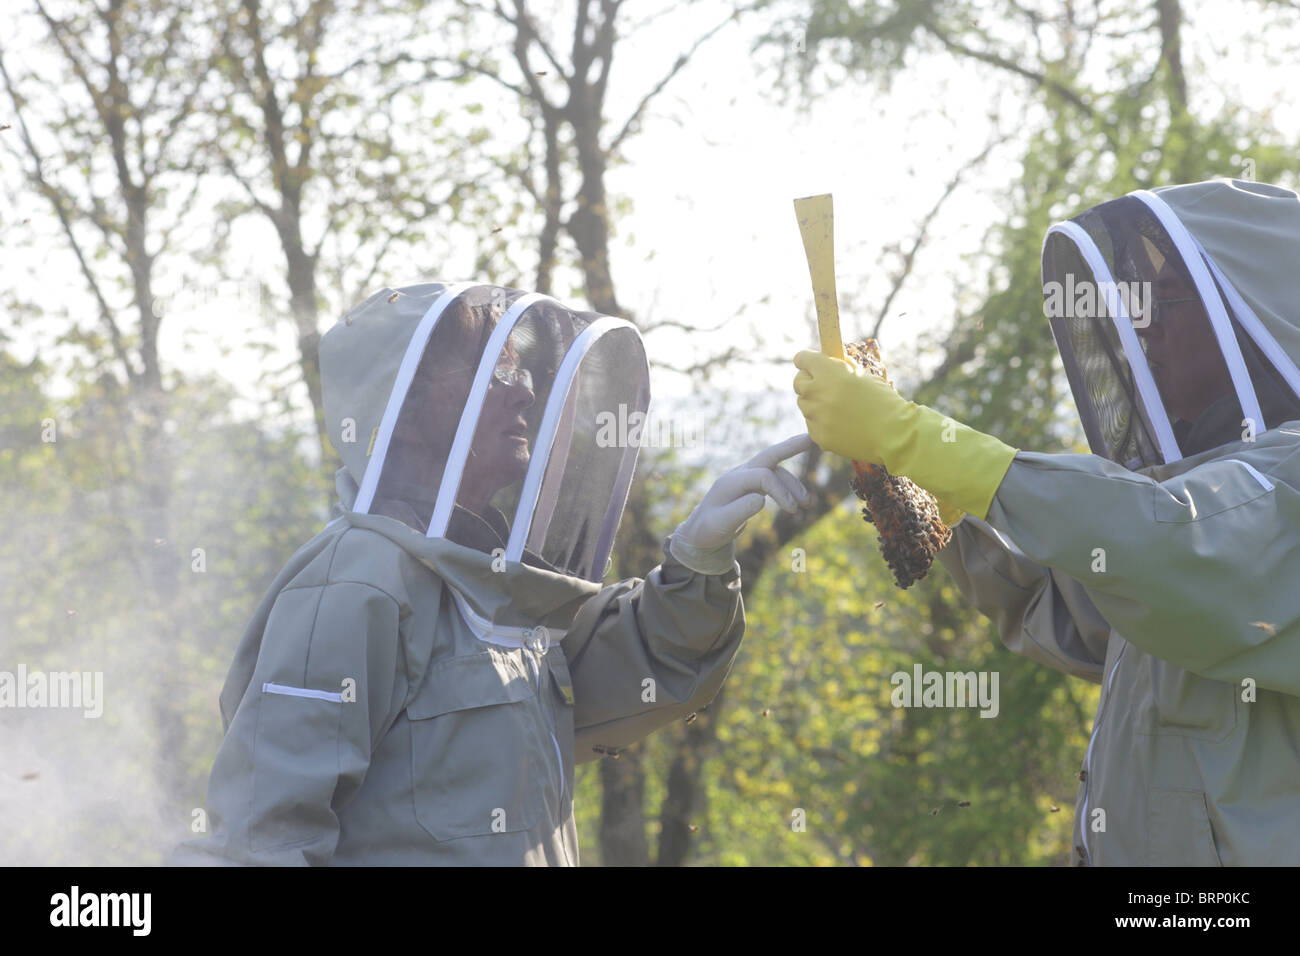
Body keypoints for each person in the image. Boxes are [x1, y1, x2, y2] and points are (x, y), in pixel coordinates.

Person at [174, 282, 811, 865]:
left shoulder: (499, 585)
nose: (525, 389)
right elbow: (259, 842)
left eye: (520, 365)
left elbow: (647, 670)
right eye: (491, 366)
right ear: (410, 405)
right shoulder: (357, 582)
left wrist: (697, 557)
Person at [793, 179, 1300, 865]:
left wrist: (918, 439)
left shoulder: (1280, 489)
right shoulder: (1202, 502)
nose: (1143, 326)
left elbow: (1157, 540)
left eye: (1169, 298)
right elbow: (1063, 600)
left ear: (1245, 313)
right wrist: (931, 500)